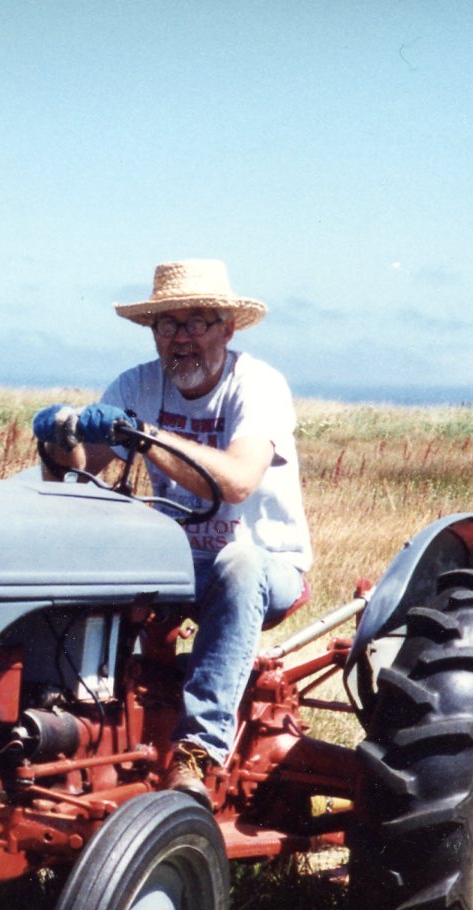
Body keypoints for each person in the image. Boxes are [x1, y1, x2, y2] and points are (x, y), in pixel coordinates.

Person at [32, 259, 313, 803]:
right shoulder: (137, 384)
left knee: (240, 563)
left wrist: (145, 435)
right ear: (153, 331)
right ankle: (78, 727)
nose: (181, 338)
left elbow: (233, 482)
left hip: (265, 566)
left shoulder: (256, 386)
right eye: (168, 324)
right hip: (169, 566)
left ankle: (197, 752)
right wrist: (58, 441)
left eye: (197, 323)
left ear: (227, 329)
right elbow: (75, 473)